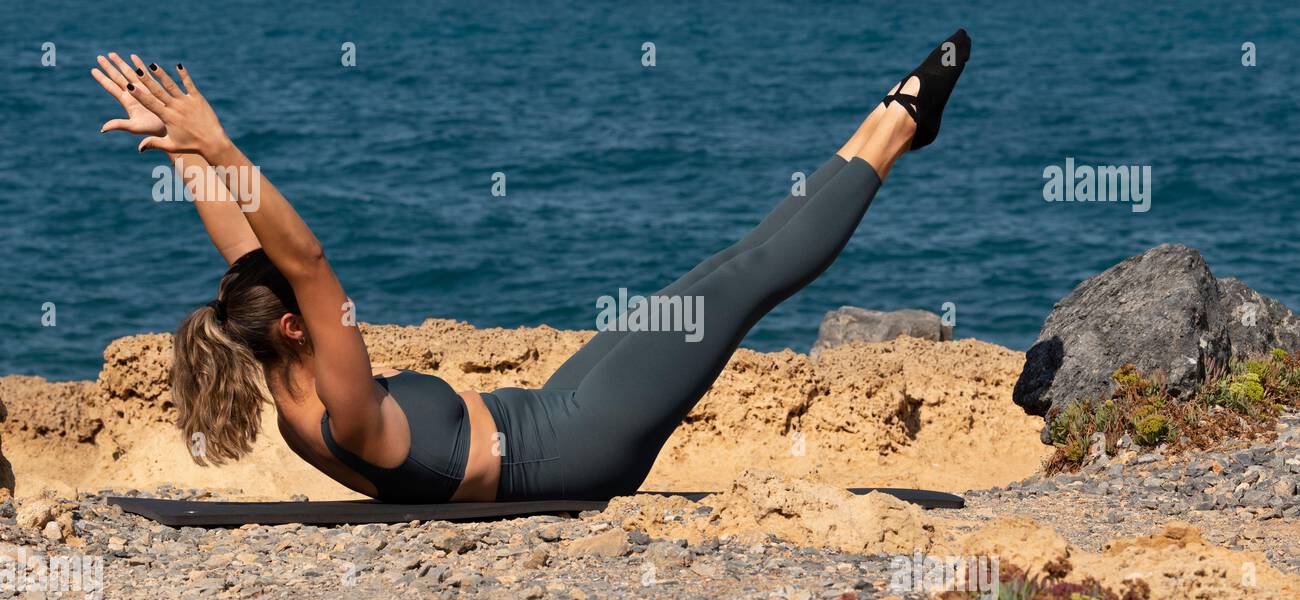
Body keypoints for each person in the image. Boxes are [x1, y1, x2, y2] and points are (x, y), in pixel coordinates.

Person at [89, 30, 970, 503]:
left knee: (717, 271)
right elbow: (306, 259)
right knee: (743, 284)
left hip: (548, 411)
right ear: (294, 326)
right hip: (577, 446)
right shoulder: (343, 408)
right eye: (307, 307)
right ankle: (895, 126)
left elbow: (251, 251)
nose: (321, 305)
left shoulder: (283, 366)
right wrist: (225, 139)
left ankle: (882, 123)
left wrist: (183, 148)